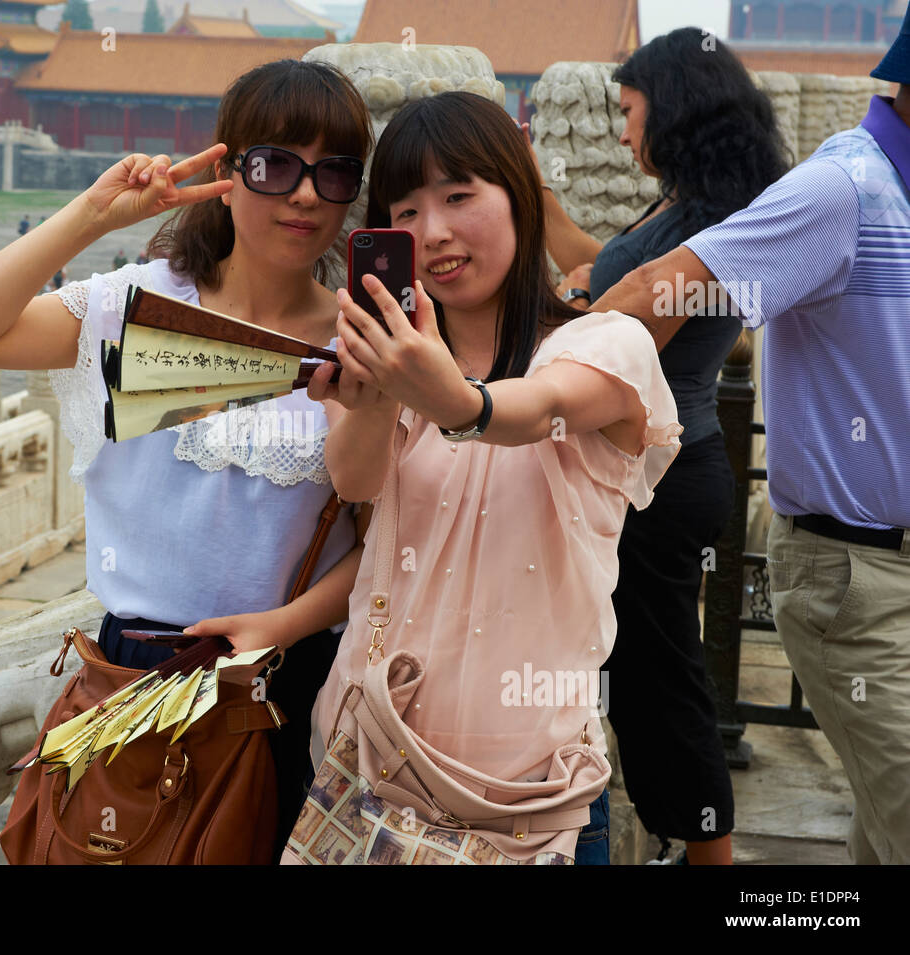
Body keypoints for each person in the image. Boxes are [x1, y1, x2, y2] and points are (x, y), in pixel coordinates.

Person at [0, 59, 374, 857]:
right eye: (275, 166)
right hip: (134, 680)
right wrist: (93, 216)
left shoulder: (360, 344)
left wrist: (285, 623)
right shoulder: (139, 311)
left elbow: (382, 539)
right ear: (229, 174)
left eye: (333, 172)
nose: (305, 194)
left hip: (284, 683)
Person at [290, 91, 680, 865]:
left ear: (517, 193)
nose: (432, 232)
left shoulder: (605, 344)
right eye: (404, 212)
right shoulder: (392, 365)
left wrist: (453, 398)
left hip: (527, 792)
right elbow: (358, 481)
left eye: (460, 196)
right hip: (370, 770)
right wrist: (372, 397)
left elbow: (538, 409)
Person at [591, 10, 910, 866]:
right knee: (667, 681)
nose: (623, 134)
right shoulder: (839, 190)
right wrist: (547, 406)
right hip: (863, 572)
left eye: (630, 113)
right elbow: (649, 294)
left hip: (686, 483)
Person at [532, 28, 791, 865]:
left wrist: (567, 294)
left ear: (671, 110)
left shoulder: (717, 225)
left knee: (661, 680)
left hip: (660, 469)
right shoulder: (688, 205)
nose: (619, 133)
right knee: (650, 671)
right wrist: (535, 201)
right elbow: (596, 269)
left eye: (630, 112)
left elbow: (612, 310)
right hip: (664, 459)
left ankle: (710, 855)